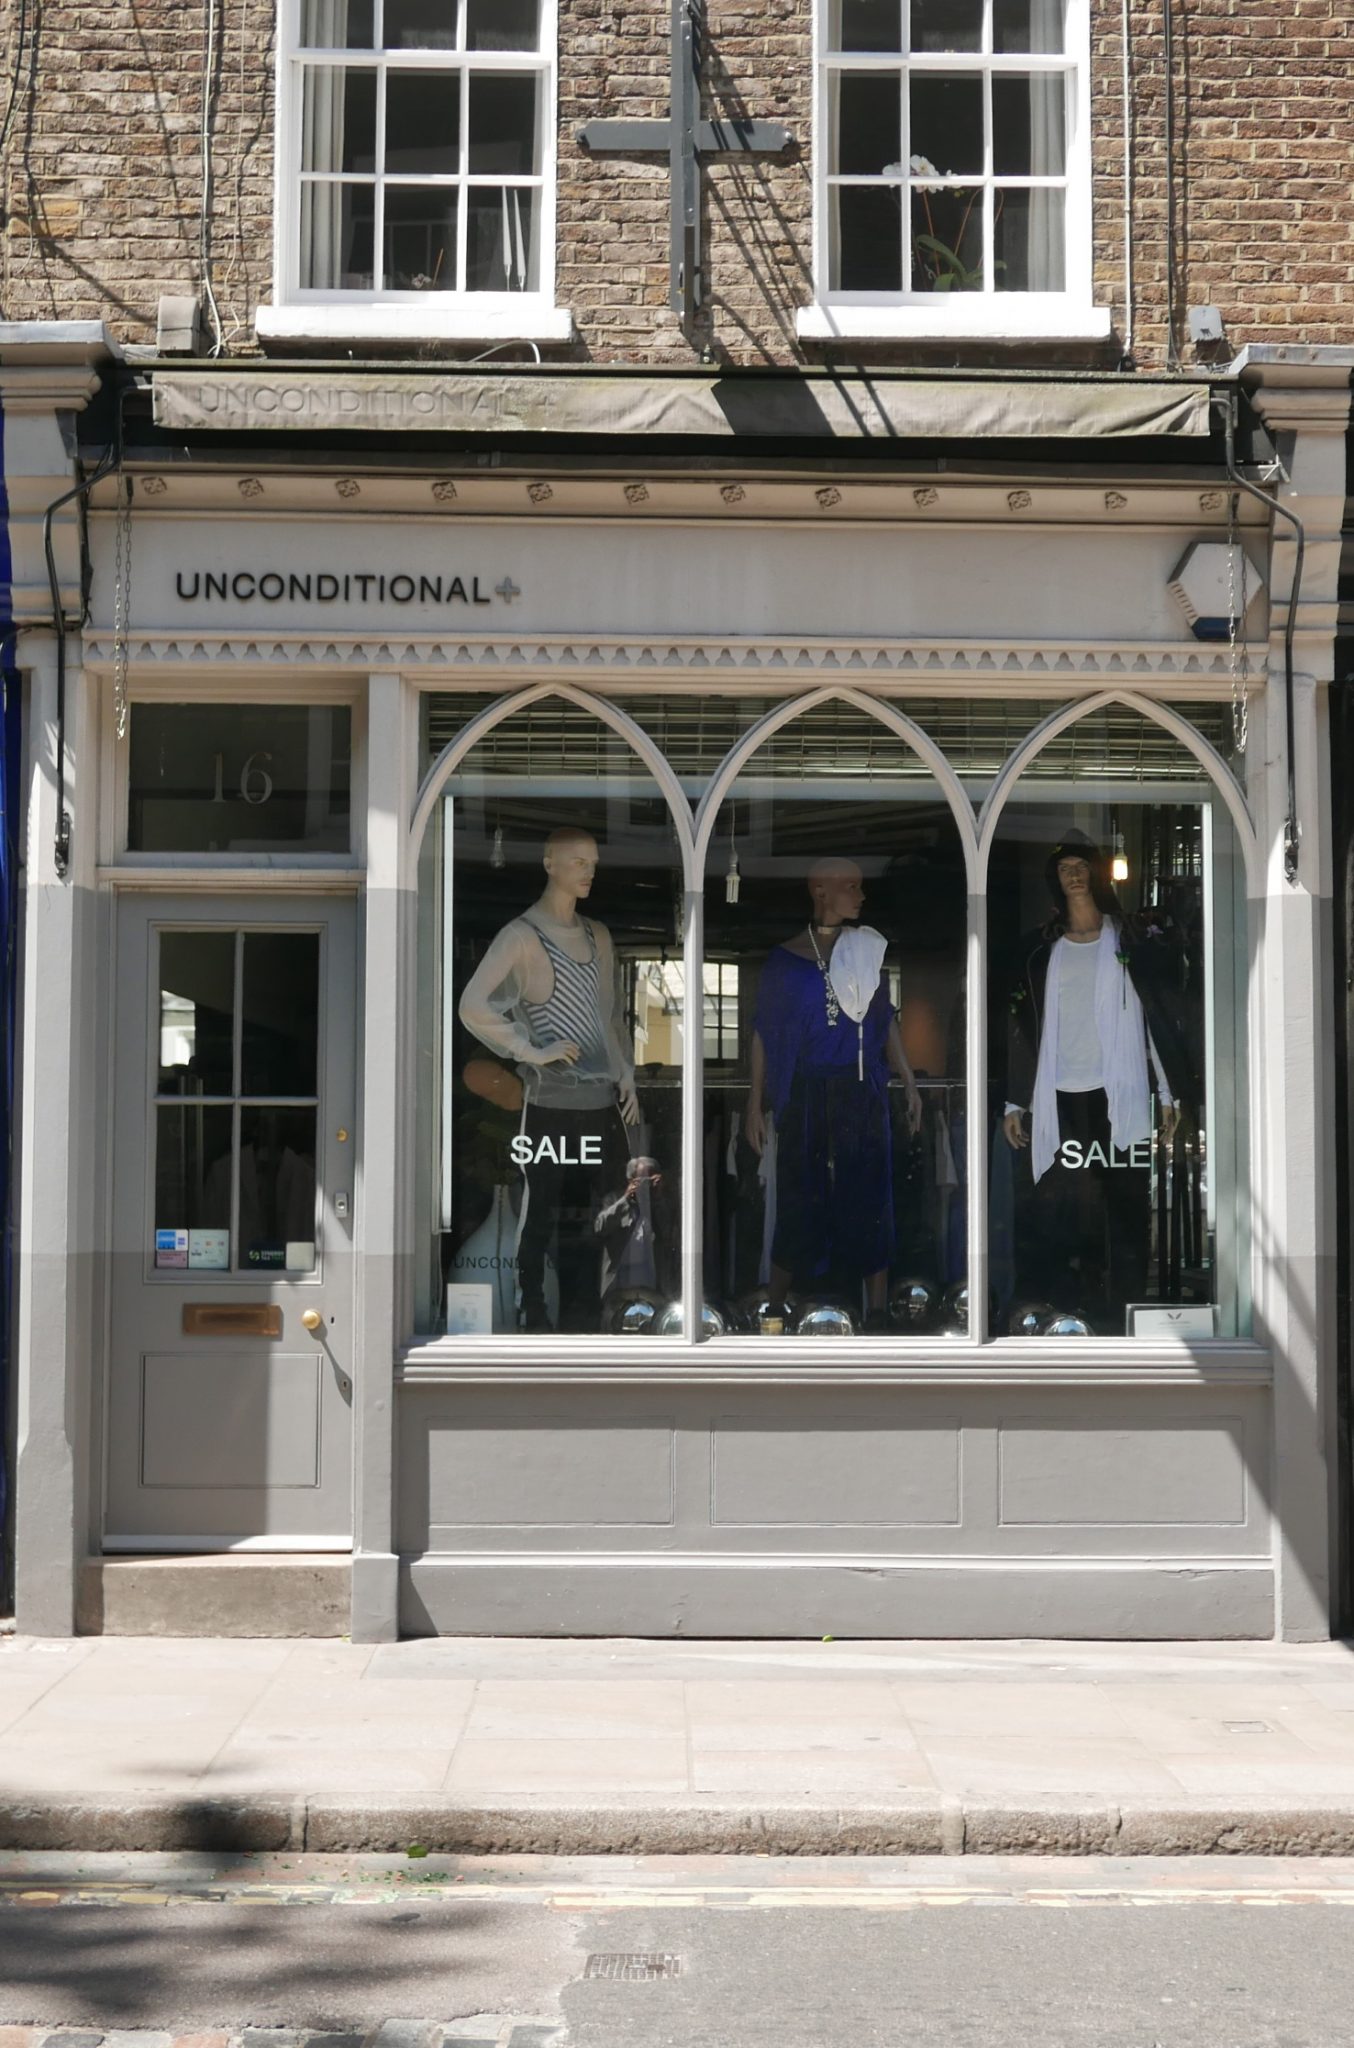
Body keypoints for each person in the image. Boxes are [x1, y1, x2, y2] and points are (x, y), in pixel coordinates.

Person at [1002, 832, 1194, 1329]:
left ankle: (1119, 1312)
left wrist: (1169, 1092)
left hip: (1119, 1091)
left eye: (1081, 864)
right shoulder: (1040, 952)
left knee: (1123, 1202)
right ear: (1055, 880)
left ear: (1096, 873)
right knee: (1062, 1204)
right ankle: (1061, 1309)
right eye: (1064, 867)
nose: (1073, 873)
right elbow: (1023, 1028)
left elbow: (1154, 1016)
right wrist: (1014, 1102)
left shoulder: (1127, 938)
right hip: (1059, 1090)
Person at [459, 826, 638, 1332]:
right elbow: (472, 1006)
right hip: (548, 1105)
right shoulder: (521, 937)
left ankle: (606, 1318)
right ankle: (532, 1320)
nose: (589, 871)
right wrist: (529, 1051)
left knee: (616, 1216)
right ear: (549, 863)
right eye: (579, 861)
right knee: (538, 1218)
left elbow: (609, 1018)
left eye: (594, 862)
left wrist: (625, 1073)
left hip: (604, 1105)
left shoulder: (597, 935)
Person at [743, 857, 922, 1327]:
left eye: (861, 886)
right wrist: (753, 1102)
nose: (860, 896)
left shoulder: (866, 951)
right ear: (820, 891)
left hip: (861, 1088)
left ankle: (878, 1311)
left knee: (870, 1190)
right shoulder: (784, 962)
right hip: (805, 1091)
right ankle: (776, 1307)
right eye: (850, 887)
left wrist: (907, 1078)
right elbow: (763, 1031)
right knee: (800, 1192)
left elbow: (886, 1020)